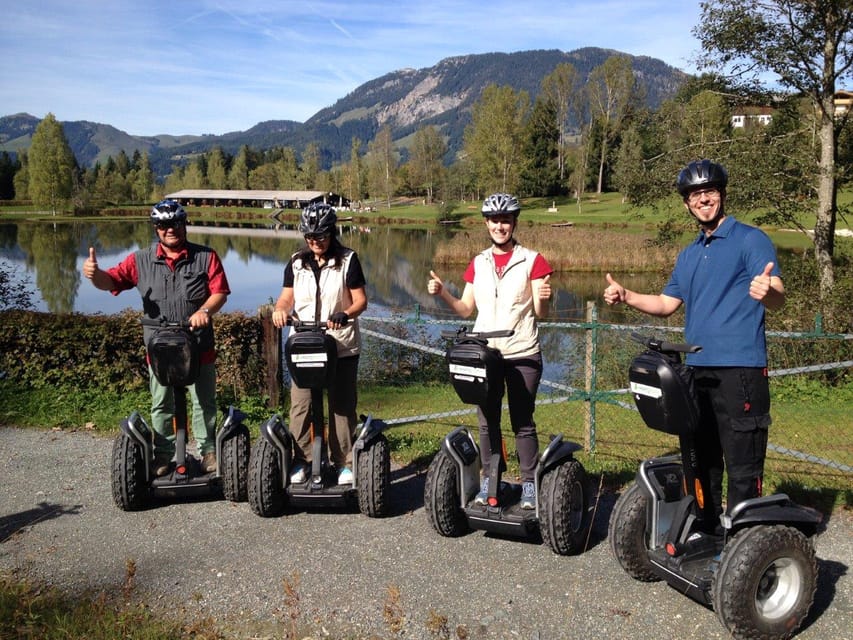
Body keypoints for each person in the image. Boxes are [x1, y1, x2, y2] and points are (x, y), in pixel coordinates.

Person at [604, 159, 785, 526]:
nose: (703, 199)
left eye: (710, 191)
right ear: (687, 203)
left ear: (722, 194)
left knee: (742, 464)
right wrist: (627, 296)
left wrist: (768, 291)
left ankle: (744, 539)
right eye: (695, 195)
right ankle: (707, 528)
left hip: (740, 371)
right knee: (701, 460)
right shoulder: (689, 254)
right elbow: (666, 304)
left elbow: (778, 294)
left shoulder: (750, 239)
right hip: (696, 370)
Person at [82, 199, 230, 476]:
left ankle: (208, 452)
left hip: (199, 345)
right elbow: (112, 281)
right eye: (163, 225)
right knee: (161, 403)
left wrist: (204, 311)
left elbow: (219, 292)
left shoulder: (206, 256)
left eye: (175, 223)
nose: (169, 229)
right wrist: (95, 275)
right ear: (155, 228)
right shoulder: (140, 260)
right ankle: (163, 454)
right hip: (160, 348)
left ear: (184, 224)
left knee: (204, 402)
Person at [428, 193, 552, 509]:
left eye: (505, 220)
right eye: (494, 220)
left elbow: (542, 313)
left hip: (522, 351)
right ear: (486, 224)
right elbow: (466, 309)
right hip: (486, 355)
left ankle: (529, 484)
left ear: (514, 222)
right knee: (487, 421)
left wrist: (544, 298)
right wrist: (443, 293)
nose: (500, 226)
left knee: (522, 420)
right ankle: (490, 480)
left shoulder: (533, 260)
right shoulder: (478, 262)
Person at [271, 203, 368, 485]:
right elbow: (286, 297)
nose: (315, 242)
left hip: (340, 345)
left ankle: (343, 463)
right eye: (310, 237)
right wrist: (280, 310)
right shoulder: (296, 262)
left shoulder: (348, 260)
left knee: (341, 406)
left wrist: (345, 314)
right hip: (304, 344)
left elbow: (361, 301)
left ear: (332, 232)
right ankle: (302, 460)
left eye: (321, 236)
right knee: (301, 405)